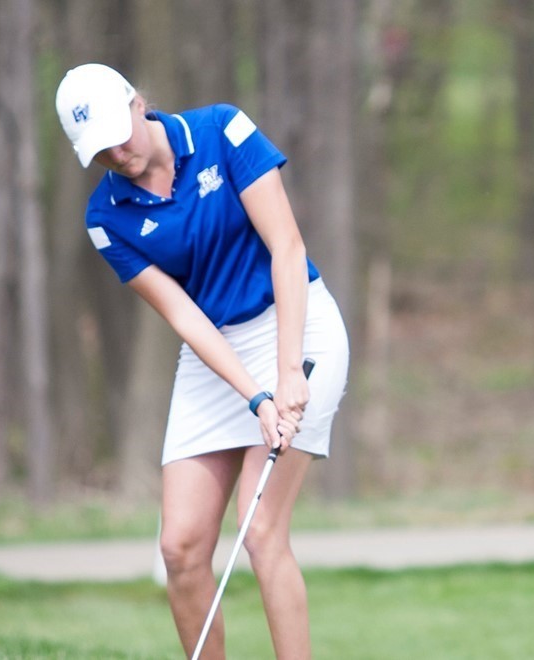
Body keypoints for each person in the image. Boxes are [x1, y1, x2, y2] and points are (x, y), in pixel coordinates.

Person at [55, 63, 349, 659]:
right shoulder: (104, 219)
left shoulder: (223, 131)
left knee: (260, 530)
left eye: (120, 131)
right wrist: (255, 395)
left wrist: (287, 372)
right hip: (214, 350)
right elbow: (185, 317)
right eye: (99, 149)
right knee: (180, 550)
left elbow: (287, 249)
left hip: (297, 324)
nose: (116, 151)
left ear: (139, 104)